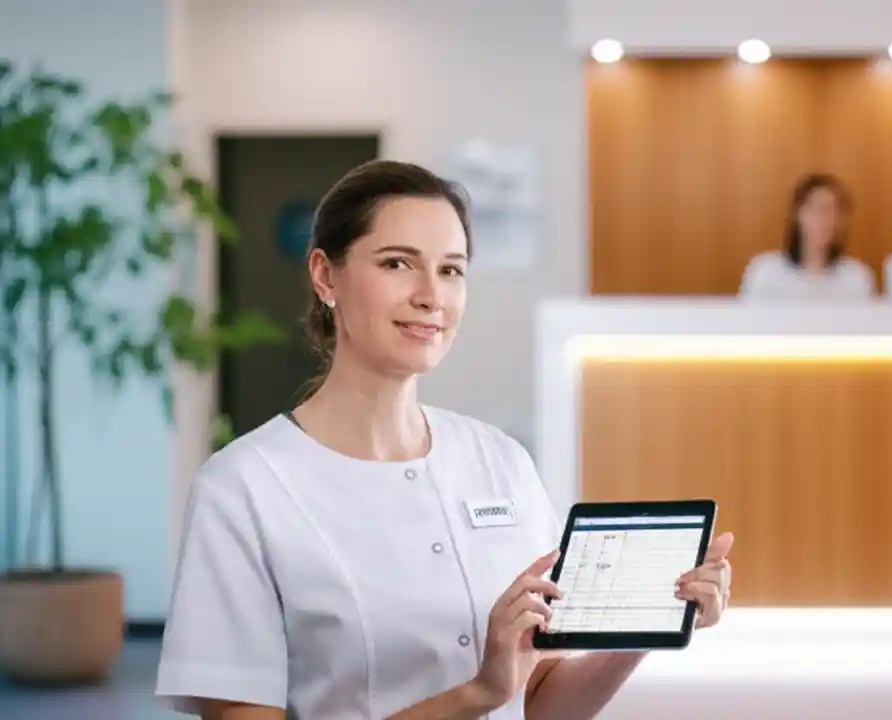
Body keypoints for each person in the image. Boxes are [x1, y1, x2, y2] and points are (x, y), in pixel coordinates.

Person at [155, 160, 735, 720]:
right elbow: (494, 693)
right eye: (398, 264)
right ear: (325, 275)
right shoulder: (242, 490)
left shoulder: (501, 463)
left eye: (452, 269)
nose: (432, 295)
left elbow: (538, 705)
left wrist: (650, 623)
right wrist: (475, 694)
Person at [739, 173, 875, 300]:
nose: (826, 220)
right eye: (818, 210)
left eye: (834, 211)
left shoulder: (856, 277)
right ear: (797, 215)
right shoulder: (766, 272)